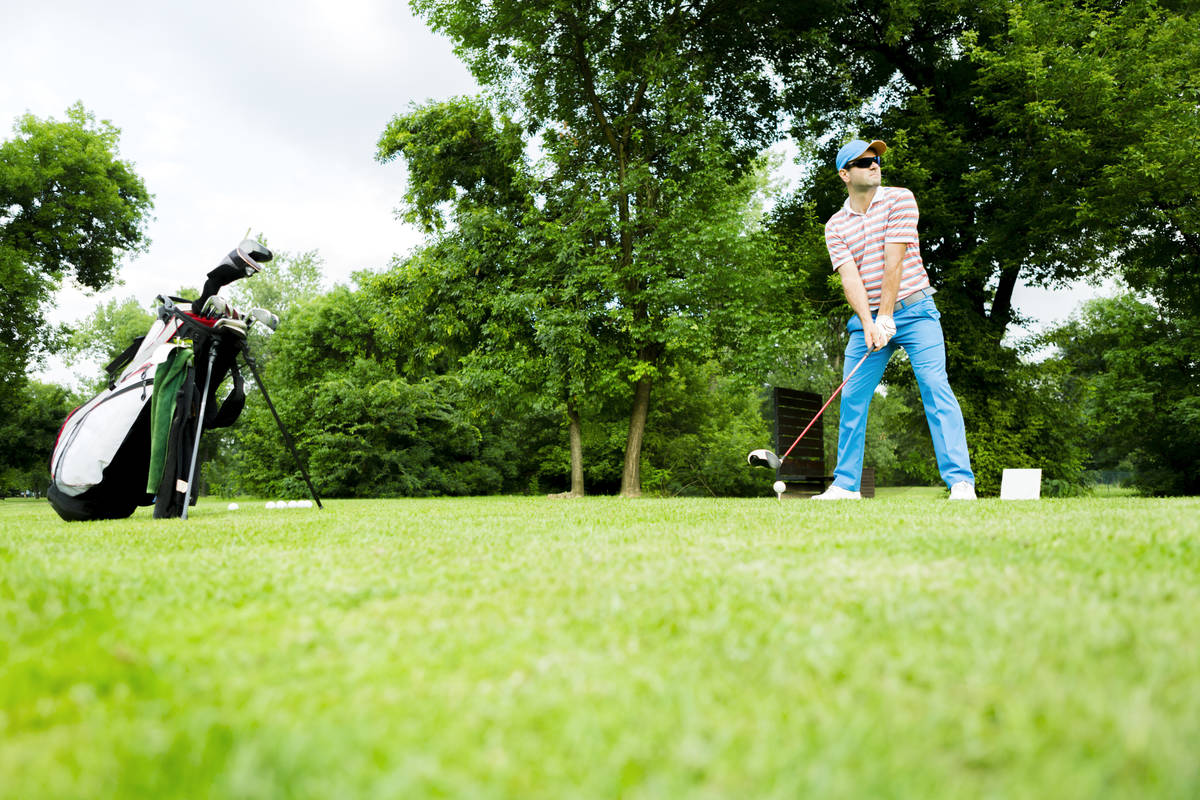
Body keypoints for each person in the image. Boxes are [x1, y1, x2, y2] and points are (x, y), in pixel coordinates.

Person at [813, 139, 976, 500]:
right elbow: (850, 279)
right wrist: (869, 323)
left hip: (916, 311)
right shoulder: (835, 226)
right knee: (852, 395)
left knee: (934, 386)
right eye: (863, 162)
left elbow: (894, 261)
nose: (874, 164)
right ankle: (845, 486)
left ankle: (961, 482)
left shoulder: (900, 199)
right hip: (868, 321)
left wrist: (886, 315)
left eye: (876, 159)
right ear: (844, 175)